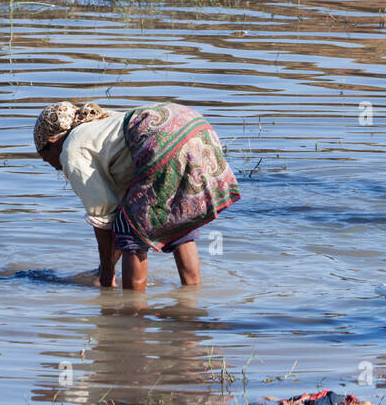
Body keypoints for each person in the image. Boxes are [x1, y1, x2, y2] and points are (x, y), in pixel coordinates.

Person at [35, 100, 241, 290]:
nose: (55, 167)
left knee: (130, 228)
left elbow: (104, 214)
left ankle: (132, 312)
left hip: (163, 137)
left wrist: (105, 276)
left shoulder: (72, 148)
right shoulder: (102, 123)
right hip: (193, 124)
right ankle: (191, 295)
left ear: (53, 142)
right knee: (177, 218)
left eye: (47, 160)